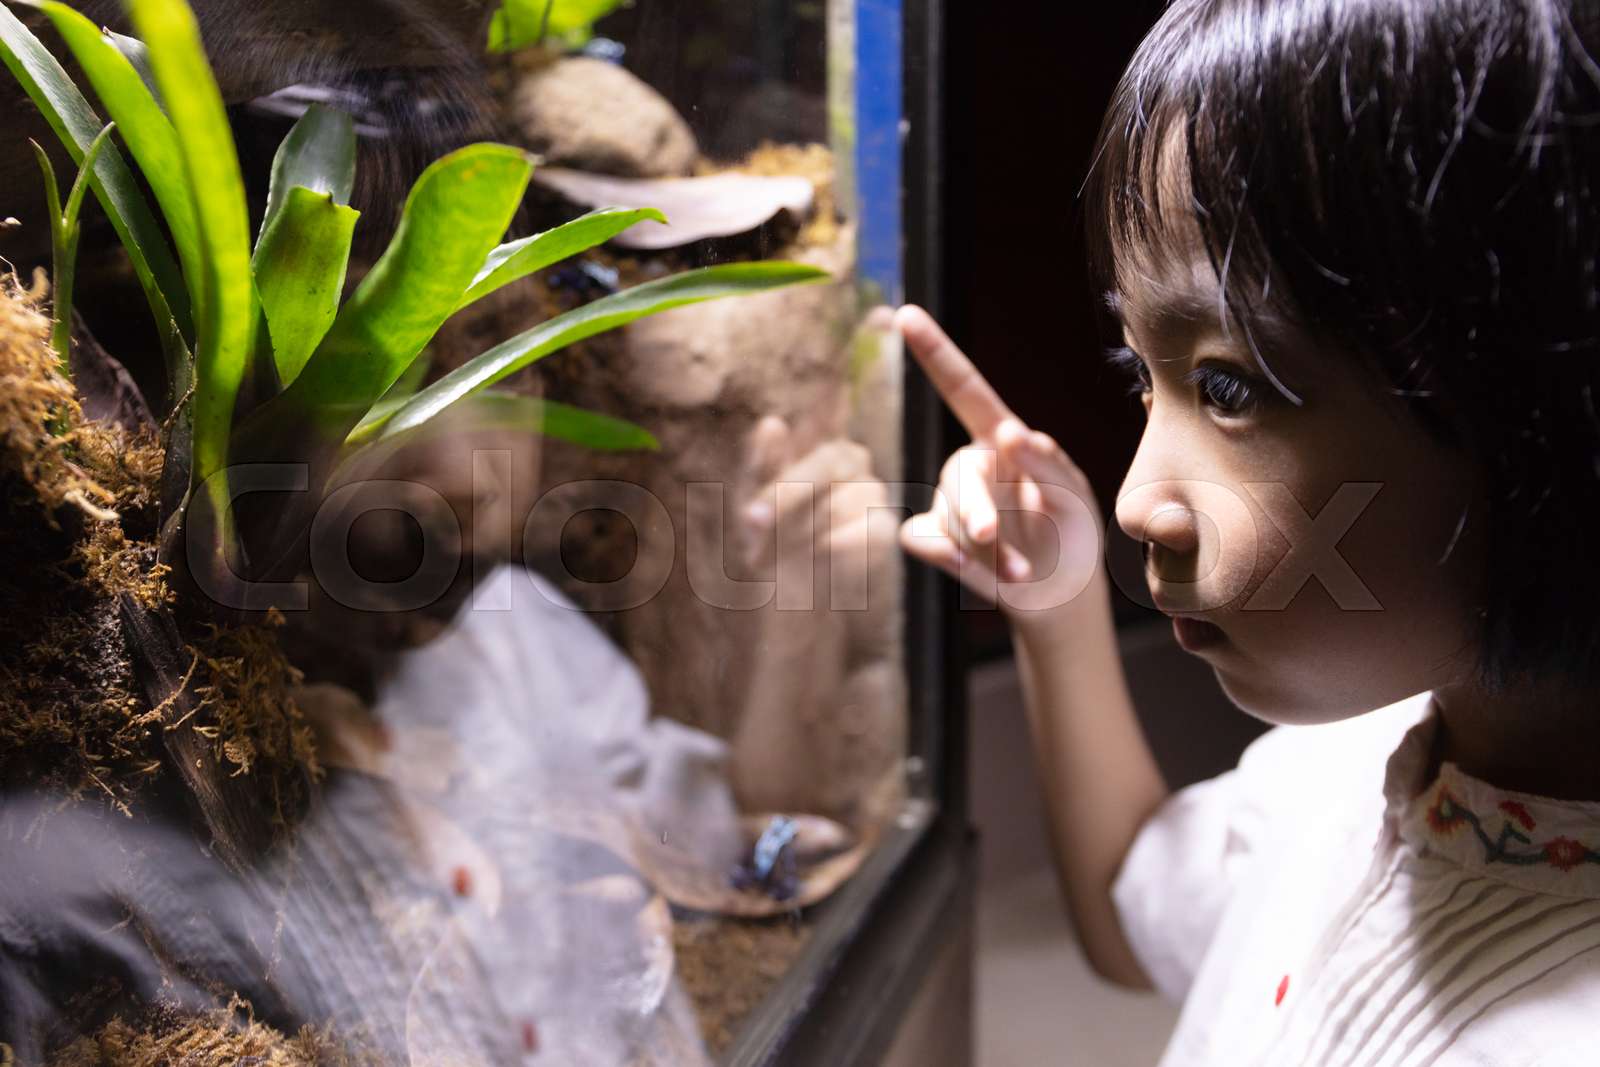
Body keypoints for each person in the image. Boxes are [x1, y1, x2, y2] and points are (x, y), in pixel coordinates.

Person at [897, 1, 1600, 1063]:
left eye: (1228, 384)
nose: (1134, 499)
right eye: (1140, 373)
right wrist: (1057, 602)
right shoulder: (1356, 762)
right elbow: (1130, 898)